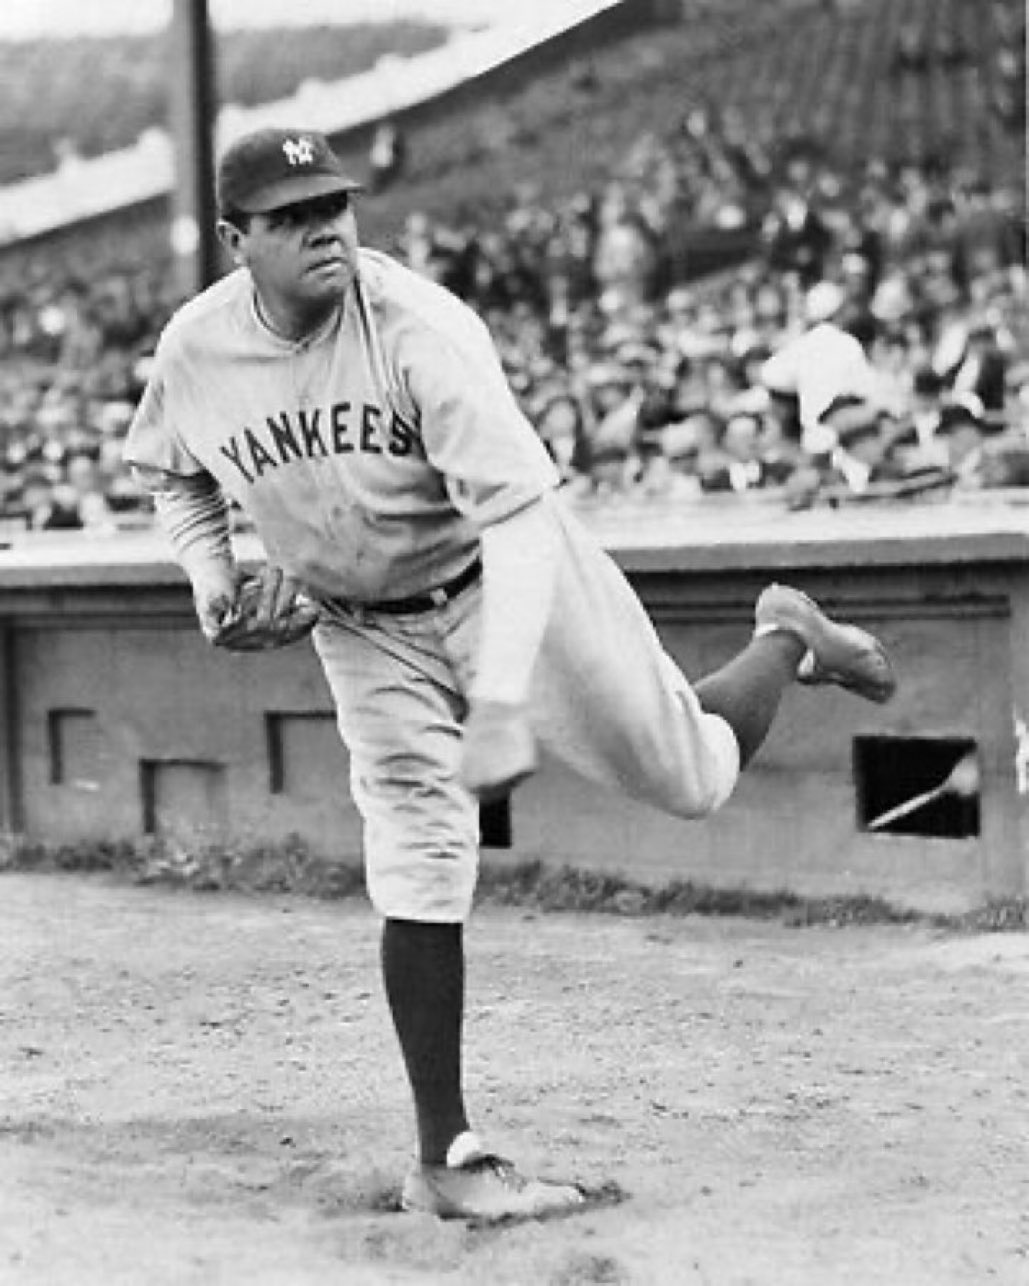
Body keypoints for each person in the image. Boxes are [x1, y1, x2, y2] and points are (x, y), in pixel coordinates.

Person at [124, 127, 897, 1224]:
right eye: (292, 217)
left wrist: (496, 698)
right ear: (233, 239)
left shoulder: (421, 327)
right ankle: (446, 1151)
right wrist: (212, 578)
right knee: (417, 849)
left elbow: (523, 523)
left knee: (691, 778)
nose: (324, 231)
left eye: (334, 206)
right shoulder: (196, 347)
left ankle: (784, 636)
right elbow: (173, 476)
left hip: (499, 574)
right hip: (360, 621)